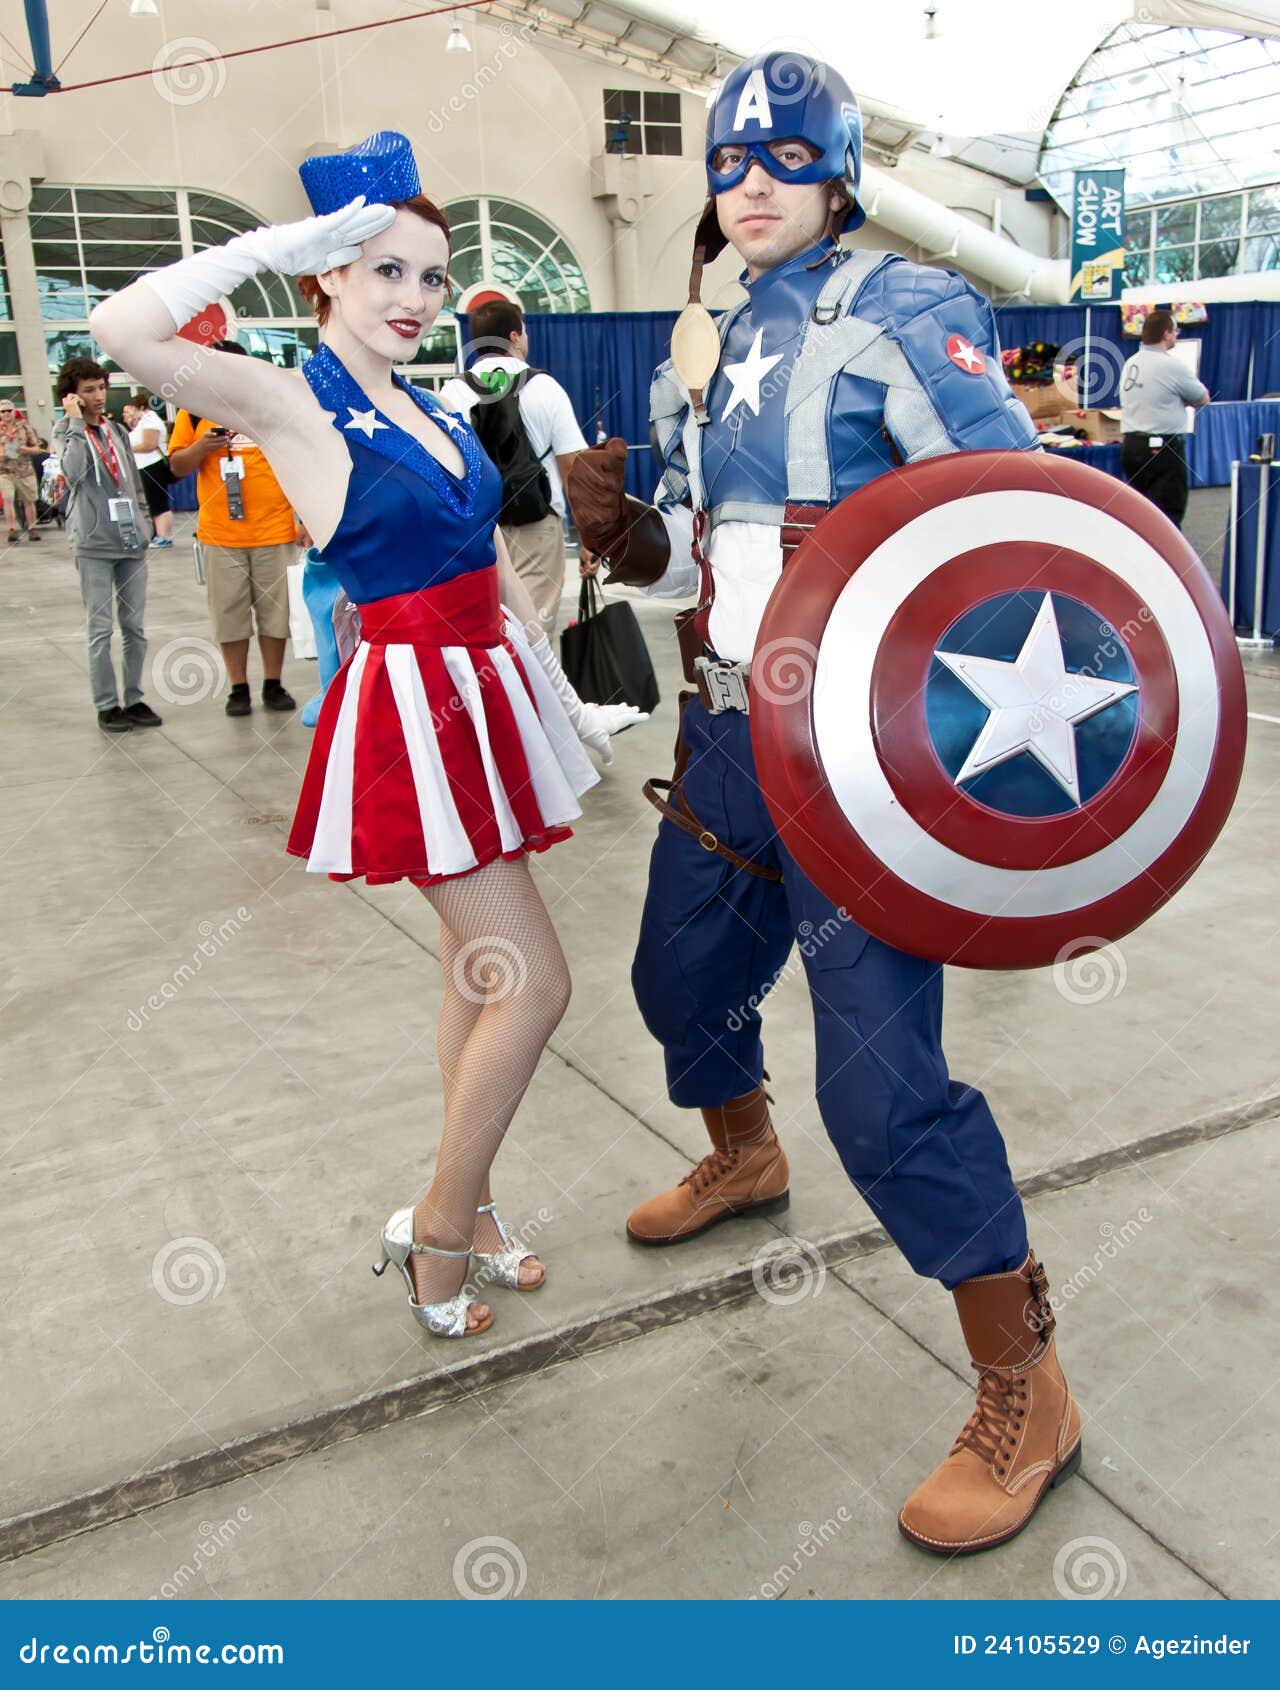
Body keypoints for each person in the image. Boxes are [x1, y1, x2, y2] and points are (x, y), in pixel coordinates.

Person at [565, 51, 1079, 1557]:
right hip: (729, 736)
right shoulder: (699, 349)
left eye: (787, 157)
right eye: (732, 163)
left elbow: (1018, 534)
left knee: (881, 1090)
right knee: (678, 978)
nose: (754, 182)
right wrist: (632, 536)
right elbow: (705, 571)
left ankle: (1024, 1382)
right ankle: (743, 1147)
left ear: (840, 171)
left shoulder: (912, 311)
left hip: (855, 761)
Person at [90, 130, 642, 1341]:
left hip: (487, 701)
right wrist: (273, 245)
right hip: (412, 717)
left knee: (473, 968)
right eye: (381, 268)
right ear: (329, 273)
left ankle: (472, 1207)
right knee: (536, 981)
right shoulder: (290, 401)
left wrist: (538, 655)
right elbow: (125, 332)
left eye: (430, 276)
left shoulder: (434, 401)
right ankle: (437, 1229)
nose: (412, 297)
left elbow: (481, 542)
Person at [440, 299, 590, 637]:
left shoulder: (452, 394)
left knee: (483, 632)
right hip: (537, 524)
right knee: (533, 631)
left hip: (476, 531)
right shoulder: (544, 387)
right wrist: (589, 538)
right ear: (514, 336)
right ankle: (532, 688)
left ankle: (491, 689)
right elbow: (575, 470)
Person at [167, 342, 300, 717]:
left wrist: (301, 518)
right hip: (220, 534)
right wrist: (202, 447)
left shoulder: (268, 406)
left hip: (274, 528)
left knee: (276, 613)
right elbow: (177, 466)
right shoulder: (194, 411)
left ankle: (273, 683)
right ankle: (237, 687)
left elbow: (294, 462)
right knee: (229, 615)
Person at [52, 358, 162, 733]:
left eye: (101, 388)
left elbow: (132, 480)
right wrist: (76, 424)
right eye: (89, 391)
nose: (98, 396)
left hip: (130, 541)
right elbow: (74, 472)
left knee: (134, 626)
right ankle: (106, 703)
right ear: (72, 397)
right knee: (100, 628)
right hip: (93, 544)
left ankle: (133, 697)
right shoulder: (68, 431)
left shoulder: (116, 430)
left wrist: (145, 522)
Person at [1119, 308, 1210, 529]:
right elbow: (1202, 398)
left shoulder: (1131, 362)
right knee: (1168, 515)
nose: (1176, 335)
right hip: (1163, 449)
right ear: (1167, 334)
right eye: (1175, 330)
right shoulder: (1172, 365)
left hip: (1132, 446)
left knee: (1139, 512)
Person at [122, 391, 174, 548]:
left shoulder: (150, 420)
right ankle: (158, 533)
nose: (126, 415)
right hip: (145, 466)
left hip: (154, 466)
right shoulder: (143, 422)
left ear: (139, 408)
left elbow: (149, 444)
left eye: (128, 410)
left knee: (158, 502)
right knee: (152, 502)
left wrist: (127, 449)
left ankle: (164, 535)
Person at [0, 395, 45, 543]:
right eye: (3, 411)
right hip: (5, 471)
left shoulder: (25, 427)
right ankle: (12, 529)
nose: (6, 413)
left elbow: (38, 448)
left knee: (29, 500)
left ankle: (32, 528)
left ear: (14, 411)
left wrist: (26, 449)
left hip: (25, 470)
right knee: (8, 499)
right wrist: (3, 454)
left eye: (9, 410)